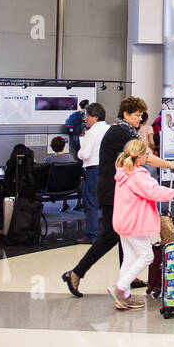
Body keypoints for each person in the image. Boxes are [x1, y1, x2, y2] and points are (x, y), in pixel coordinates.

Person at [62, 97, 174, 298]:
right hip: (113, 191)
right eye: (137, 115)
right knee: (111, 234)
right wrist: (172, 165)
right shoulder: (121, 132)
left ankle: (127, 277)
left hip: (117, 189)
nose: (140, 119)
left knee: (123, 234)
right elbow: (146, 157)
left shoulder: (125, 130)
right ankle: (77, 273)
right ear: (126, 114)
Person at [107, 139, 174, 311]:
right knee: (147, 256)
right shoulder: (139, 175)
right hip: (135, 223)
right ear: (139, 157)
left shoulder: (123, 173)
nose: (149, 156)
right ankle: (120, 287)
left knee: (130, 258)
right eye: (147, 154)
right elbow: (155, 192)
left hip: (123, 222)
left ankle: (123, 297)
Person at [75, 103, 109, 246]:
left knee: (91, 203)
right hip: (108, 169)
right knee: (107, 203)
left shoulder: (91, 132)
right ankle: (108, 232)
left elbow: (84, 154)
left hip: (93, 170)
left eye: (87, 115)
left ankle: (91, 235)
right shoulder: (109, 129)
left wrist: (80, 147)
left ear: (95, 117)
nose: (85, 118)